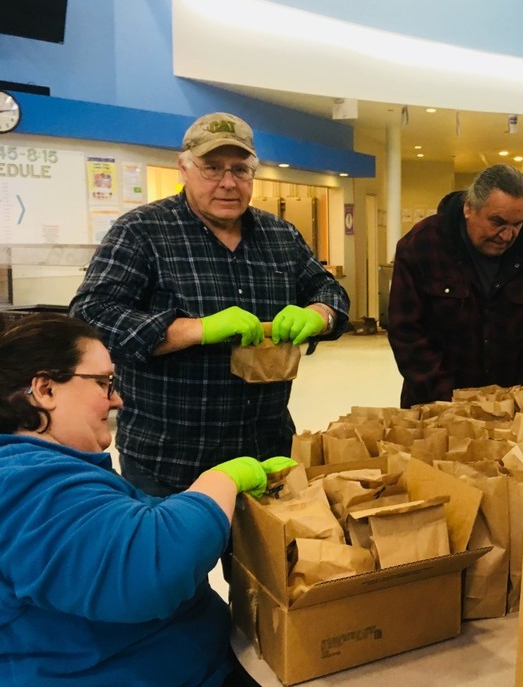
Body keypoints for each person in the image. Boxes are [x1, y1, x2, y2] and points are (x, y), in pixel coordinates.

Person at [0, 313, 293, 686]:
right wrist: (221, 480)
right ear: (45, 390)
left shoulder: (46, 471)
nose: (117, 399)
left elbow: (110, 530)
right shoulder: (20, 483)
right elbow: (150, 565)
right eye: (104, 383)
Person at [70, 112, 349, 496]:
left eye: (240, 169)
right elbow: (91, 316)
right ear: (184, 168)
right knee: (172, 557)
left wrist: (319, 314)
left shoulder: (281, 235)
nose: (228, 183)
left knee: (261, 557)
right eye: (212, 168)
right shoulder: (142, 232)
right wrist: (195, 329)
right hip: (170, 459)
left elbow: (328, 289)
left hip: (264, 452)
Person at [388, 163, 523, 408]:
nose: (507, 235)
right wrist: (452, 400)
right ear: (468, 208)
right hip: (434, 406)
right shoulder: (421, 245)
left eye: (517, 224)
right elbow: (406, 334)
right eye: (497, 222)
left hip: (516, 410)